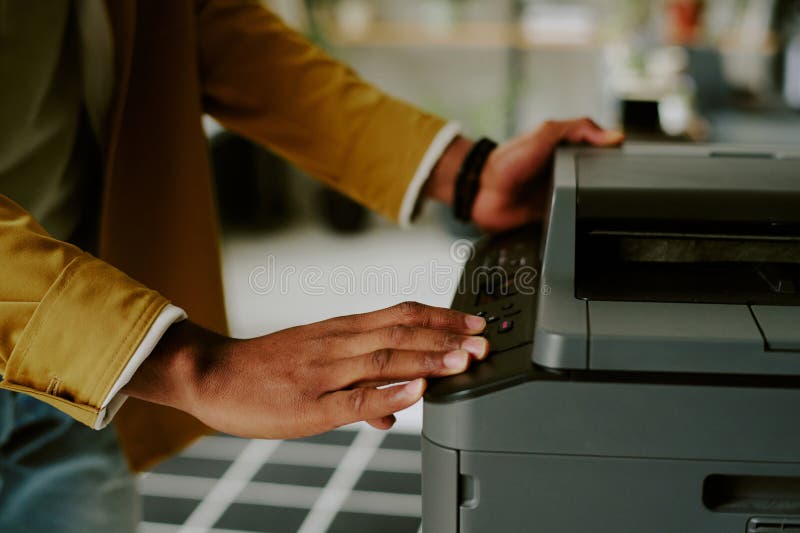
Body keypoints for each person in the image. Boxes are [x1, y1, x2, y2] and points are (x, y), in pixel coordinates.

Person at [0, 1, 623, 531]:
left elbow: (196, 23)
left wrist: (463, 172)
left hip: (69, 372)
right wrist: (186, 364)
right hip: (77, 347)